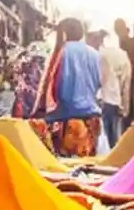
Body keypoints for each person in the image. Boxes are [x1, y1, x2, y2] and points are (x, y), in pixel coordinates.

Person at [44, 18, 103, 157]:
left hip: (65, 118)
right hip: (90, 118)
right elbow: (100, 82)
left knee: (64, 165)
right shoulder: (94, 54)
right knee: (88, 163)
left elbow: (55, 84)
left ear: (64, 32)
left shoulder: (60, 52)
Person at [88, 29, 131, 148]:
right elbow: (126, 81)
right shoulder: (120, 54)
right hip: (113, 101)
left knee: (101, 139)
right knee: (113, 138)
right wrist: (125, 106)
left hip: (100, 100)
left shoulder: (97, 56)